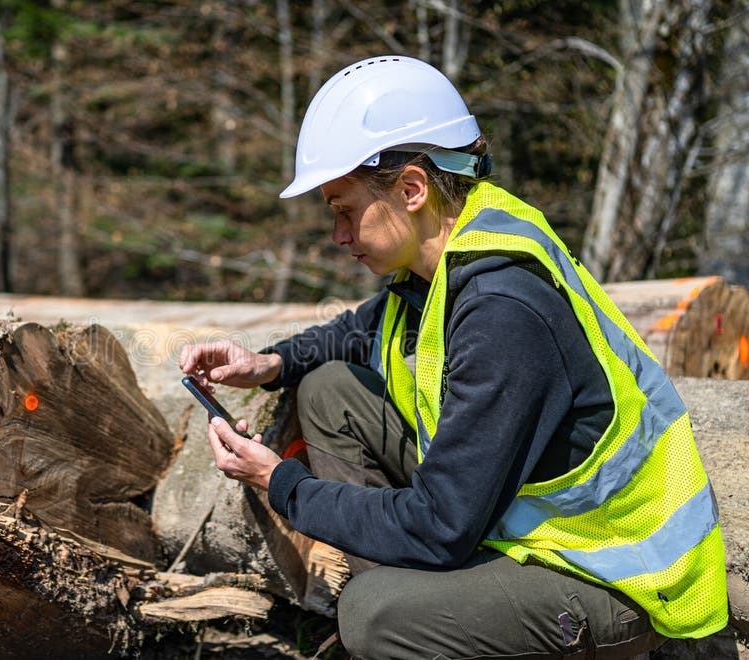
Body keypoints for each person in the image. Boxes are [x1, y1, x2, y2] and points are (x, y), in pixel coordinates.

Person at [178, 55, 728, 659]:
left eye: (344, 209)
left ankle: (407, 623)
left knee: (372, 616)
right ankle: (422, 612)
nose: (338, 235)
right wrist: (269, 363)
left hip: (613, 581)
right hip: (516, 527)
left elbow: (440, 527)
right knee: (328, 388)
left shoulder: (503, 312)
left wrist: (279, 480)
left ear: (412, 188)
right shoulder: (446, 259)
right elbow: (361, 330)